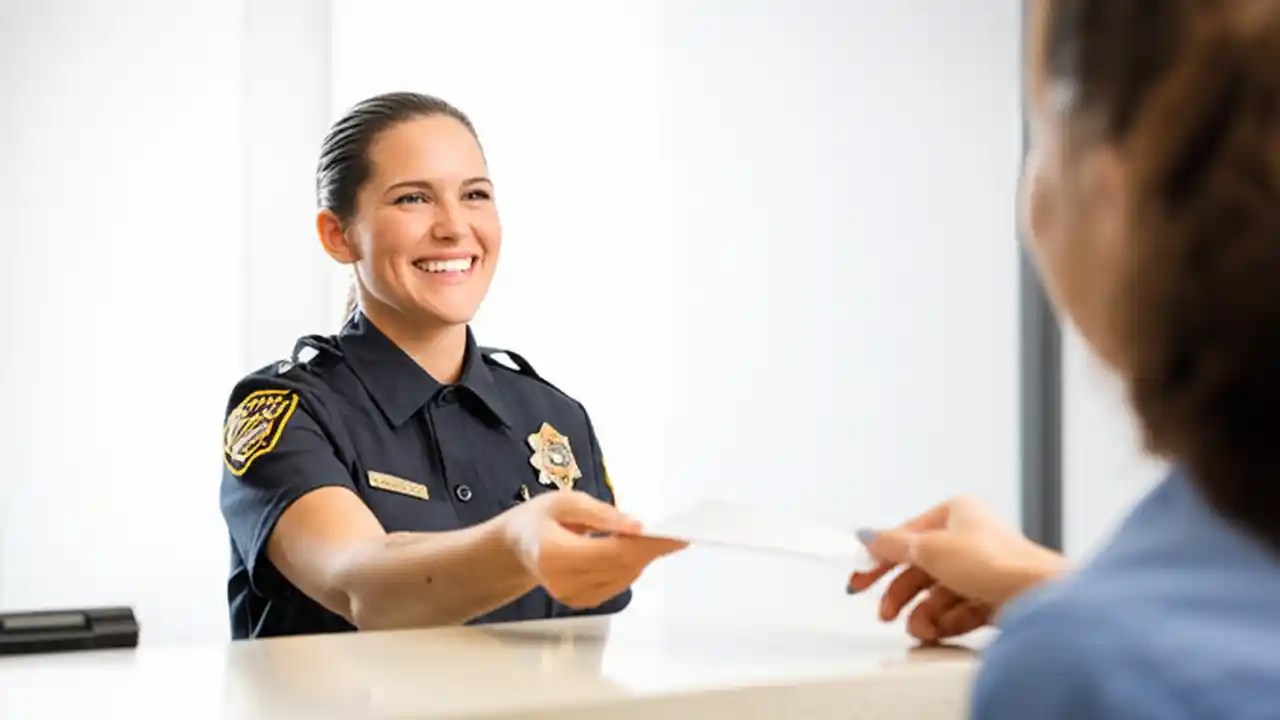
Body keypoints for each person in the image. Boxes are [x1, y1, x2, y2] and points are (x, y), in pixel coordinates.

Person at [848, 0, 1280, 717]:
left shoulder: (1091, 672)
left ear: (1115, 200)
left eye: (1043, 129)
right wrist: (1061, 585)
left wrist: (1095, 620)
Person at [219, 92, 684, 639]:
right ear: (338, 236)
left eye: (475, 195)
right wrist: (516, 544)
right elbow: (358, 583)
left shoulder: (555, 417)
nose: (454, 226)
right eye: (413, 198)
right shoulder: (288, 414)